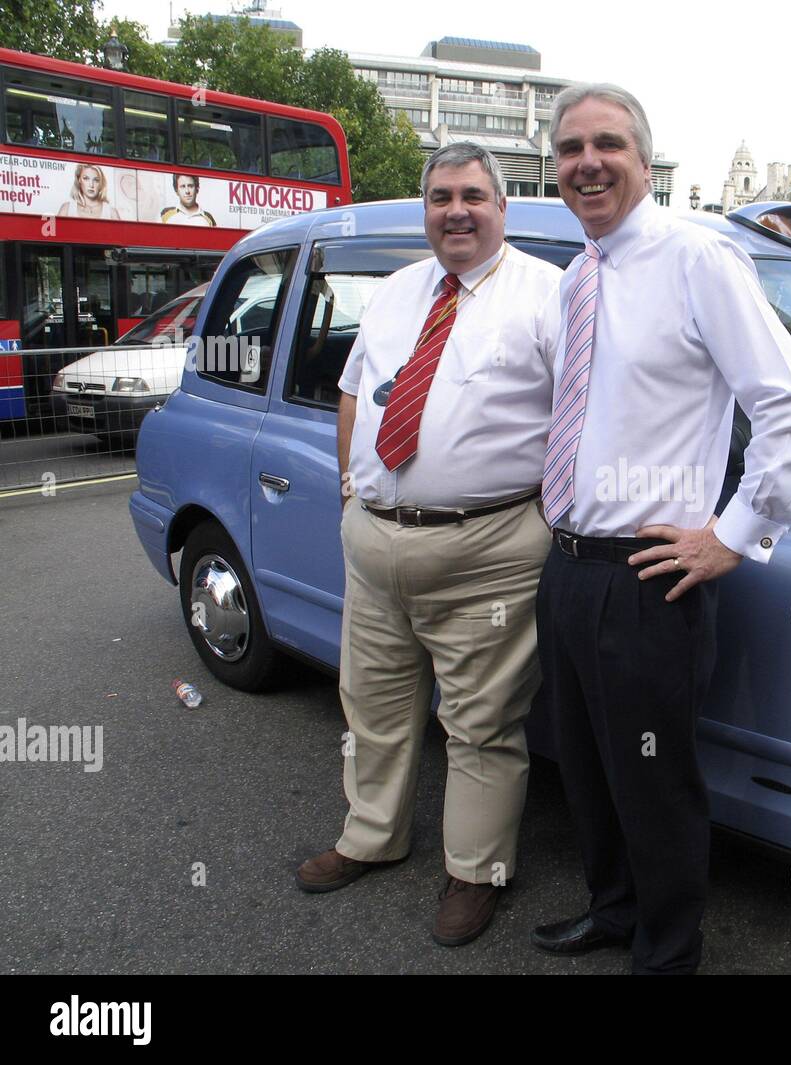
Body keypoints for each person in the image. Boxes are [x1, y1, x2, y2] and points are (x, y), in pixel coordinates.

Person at [529, 83, 791, 975]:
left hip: (651, 581)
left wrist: (734, 535)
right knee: (585, 770)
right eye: (571, 146)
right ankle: (614, 910)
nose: (588, 161)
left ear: (644, 163)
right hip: (571, 568)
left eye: (607, 144)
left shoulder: (698, 260)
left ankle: (667, 952)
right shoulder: (576, 279)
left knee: (655, 783)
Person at [296, 143, 562, 949]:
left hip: (490, 551)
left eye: (474, 195)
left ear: (502, 207)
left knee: (482, 723)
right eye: (441, 195)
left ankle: (476, 871)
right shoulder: (396, 291)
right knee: (372, 707)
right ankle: (371, 835)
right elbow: (353, 390)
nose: (457, 210)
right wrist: (352, 487)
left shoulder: (551, 296)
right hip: (376, 543)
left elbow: (589, 415)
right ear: (424, 207)